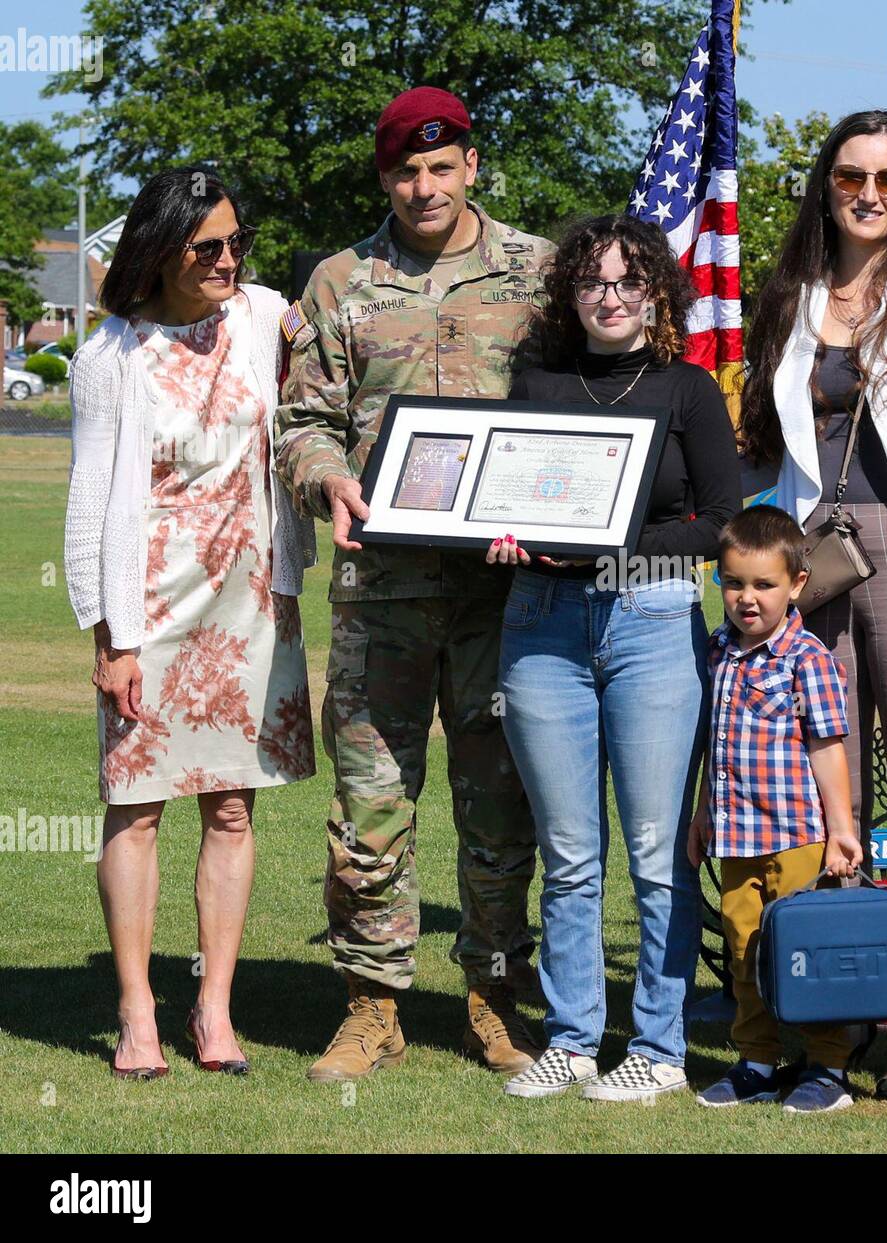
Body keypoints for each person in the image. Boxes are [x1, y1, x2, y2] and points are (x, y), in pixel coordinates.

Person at [275, 86, 553, 1080]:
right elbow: (300, 421)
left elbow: (573, 410)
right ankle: (371, 1003)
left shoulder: (538, 272)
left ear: (471, 165)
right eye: (404, 169)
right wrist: (328, 478)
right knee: (368, 807)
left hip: (505, 596)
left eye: (441, 167)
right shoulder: (340, 281)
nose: (423, 186)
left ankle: (492, 995)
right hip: (381, 592)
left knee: (501, 803)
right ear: (384, 175)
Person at [63, 167, 317, 1079]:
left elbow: (337, 343)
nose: (225, 261)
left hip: (250, 598)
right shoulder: (111, 352)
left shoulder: (262, 316)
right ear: (161, 249)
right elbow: (93, 501)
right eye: (205, 246)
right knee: (133, 811)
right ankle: (136, 1011)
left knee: (233, 805)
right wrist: (110, 636)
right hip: (151, 608)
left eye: (236, 242)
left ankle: (213, 1011)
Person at [738, 110, 887, 1100]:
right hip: (806, 559)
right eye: (849, 177)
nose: (867, 194)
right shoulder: (785, 294)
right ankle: (835, 1007)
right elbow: (755, 438)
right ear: (823, 187)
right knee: (820, 791)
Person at [486, 214, 741, 1103]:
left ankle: (661, 1046)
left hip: (655, 619)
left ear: (657, 294)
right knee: (568, 851)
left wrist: (612, 544)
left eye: (629, 281)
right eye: (593, 281)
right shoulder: (535, 383)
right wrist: (505, 539)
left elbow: (719, 522)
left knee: (656, 848)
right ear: (571, 293)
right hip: (541, 626)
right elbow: (498, 500)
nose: (610, 297)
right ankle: (572, 1036)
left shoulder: (688, 390)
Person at [687, 505, 864, 1114]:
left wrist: (841, 831)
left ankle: (828, 1067)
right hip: (736, 838)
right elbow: (716, 740)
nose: (747, 598)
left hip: (798, 839)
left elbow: (828, 744)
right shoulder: (717, 651)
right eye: (733, 582)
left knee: (810, 954)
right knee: (744, 951)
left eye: (764, 585)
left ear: (796, 585)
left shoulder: (807, 658)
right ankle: (757, 1062)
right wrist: (703, 812)